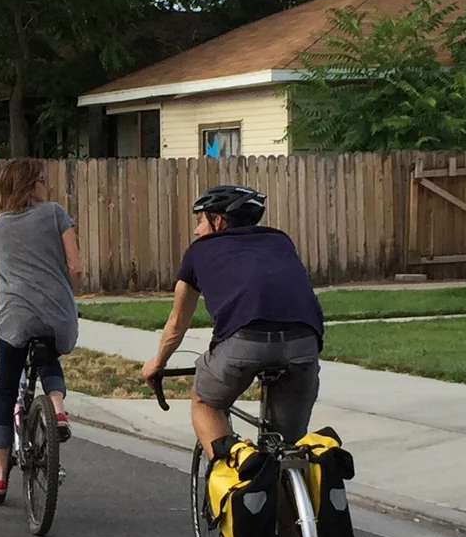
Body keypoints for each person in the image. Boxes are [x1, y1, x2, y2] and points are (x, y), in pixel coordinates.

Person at [138, 184, 326, 461]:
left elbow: (177, 323)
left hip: (244, 342)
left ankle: (237, 464)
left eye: (200, 221)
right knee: (287, 448)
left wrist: (158, 363)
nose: (196, 231)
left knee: (205, 403)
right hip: (304, 343)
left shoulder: (199, 251)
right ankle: (293, 495)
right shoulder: (280, 241)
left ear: (218, 221)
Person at [0, 157, 81, 500]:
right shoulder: (56, 213)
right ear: (29, 185)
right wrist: (61, 292)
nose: (47, 186)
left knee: (5, 391)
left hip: (15, 319)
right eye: (42, 180)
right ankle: (56, 408)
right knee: (47, 352)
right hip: (57, 314)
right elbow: (76, 266)